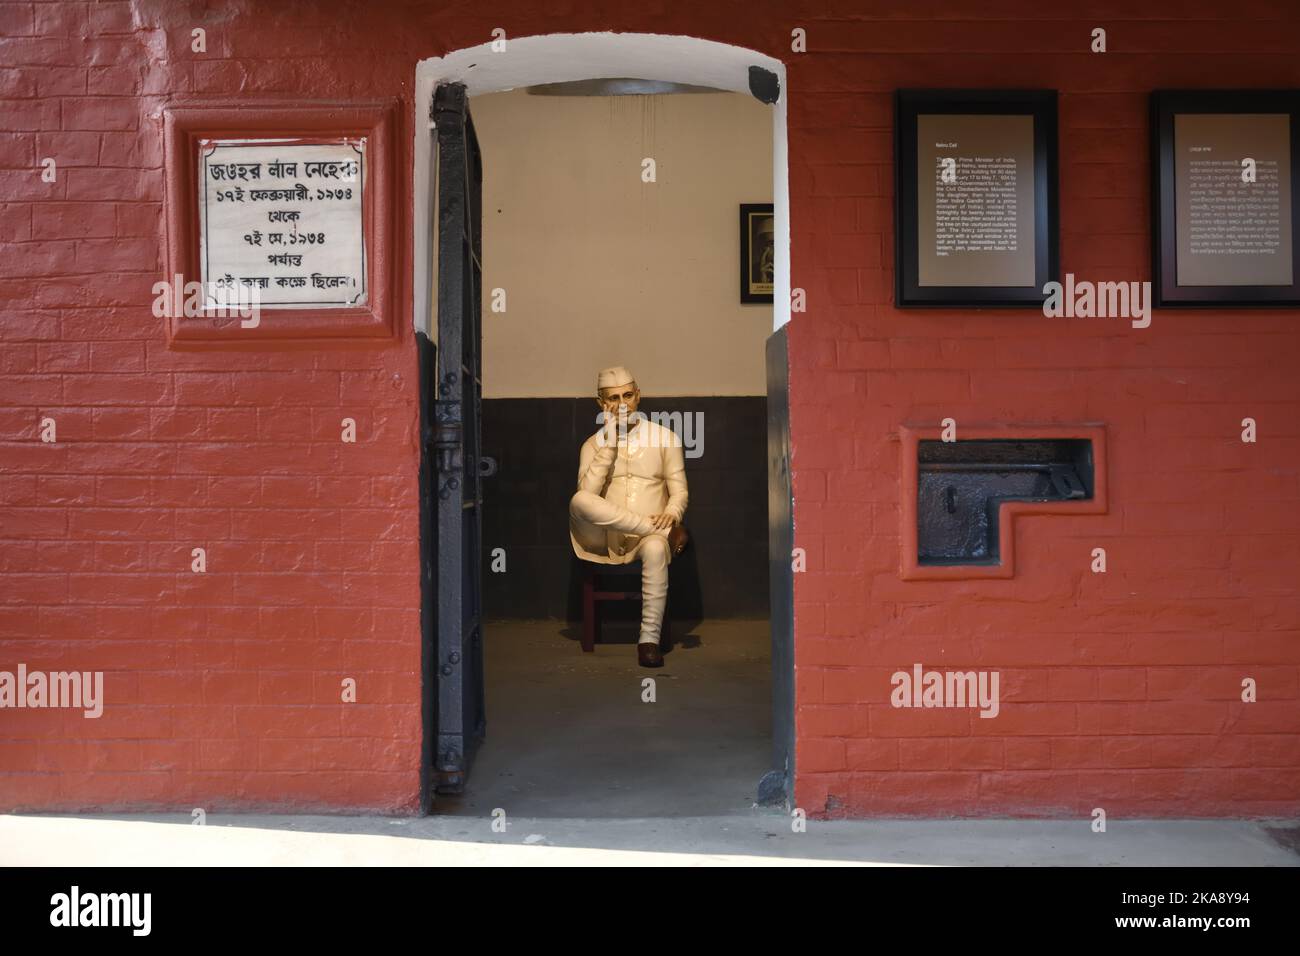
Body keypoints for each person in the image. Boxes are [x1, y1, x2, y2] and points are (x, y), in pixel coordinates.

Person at [569, 366, 688, 667]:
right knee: (579, 499)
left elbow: (679, 492)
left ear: (638, 396)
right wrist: (608, 445)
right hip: (602, 538)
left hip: (646, 539)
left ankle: (648, 641)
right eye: (612, 398)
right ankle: (658, 530)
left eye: (627, 395)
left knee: (656, 547)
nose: (621, 404)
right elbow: (589, 496)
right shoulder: (592, 445)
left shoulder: (665, 438)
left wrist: (673, 513)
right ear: (601, 404)